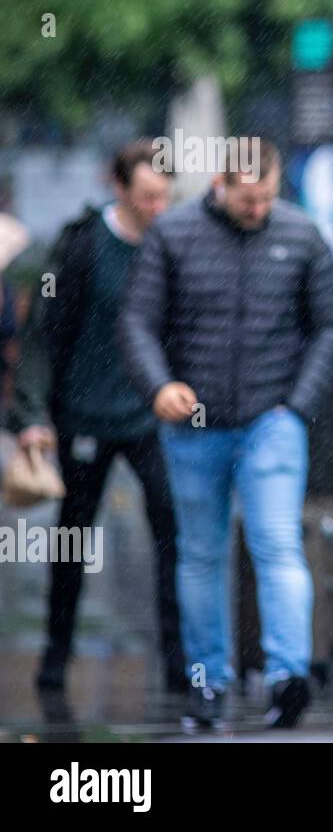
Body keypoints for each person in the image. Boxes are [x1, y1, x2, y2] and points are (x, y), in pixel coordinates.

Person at [119, 139, 333, 731]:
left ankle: (287, 675)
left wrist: (296, 407)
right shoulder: (173, 235)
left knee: (276, 545)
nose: (259, 210)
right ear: (221, 181)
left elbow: (328, 326)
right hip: (192, 423)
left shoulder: (302, 235)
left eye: (268, 198)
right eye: (249, 199)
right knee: (200, 555)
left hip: (271, 420)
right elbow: (138, 321)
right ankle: (208, 684)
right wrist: (159, 386)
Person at [9, 141, 181, 694]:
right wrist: (32, 413)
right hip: (84, 413)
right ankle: (55, 658)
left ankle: (179, 662)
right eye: (147, 196)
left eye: (164, 196)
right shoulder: (83, 245)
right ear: (120, 187)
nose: (157, 206)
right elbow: (43, 335)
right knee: (73, 537)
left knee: (170, 533)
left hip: (147, 415)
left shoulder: (170, 244)